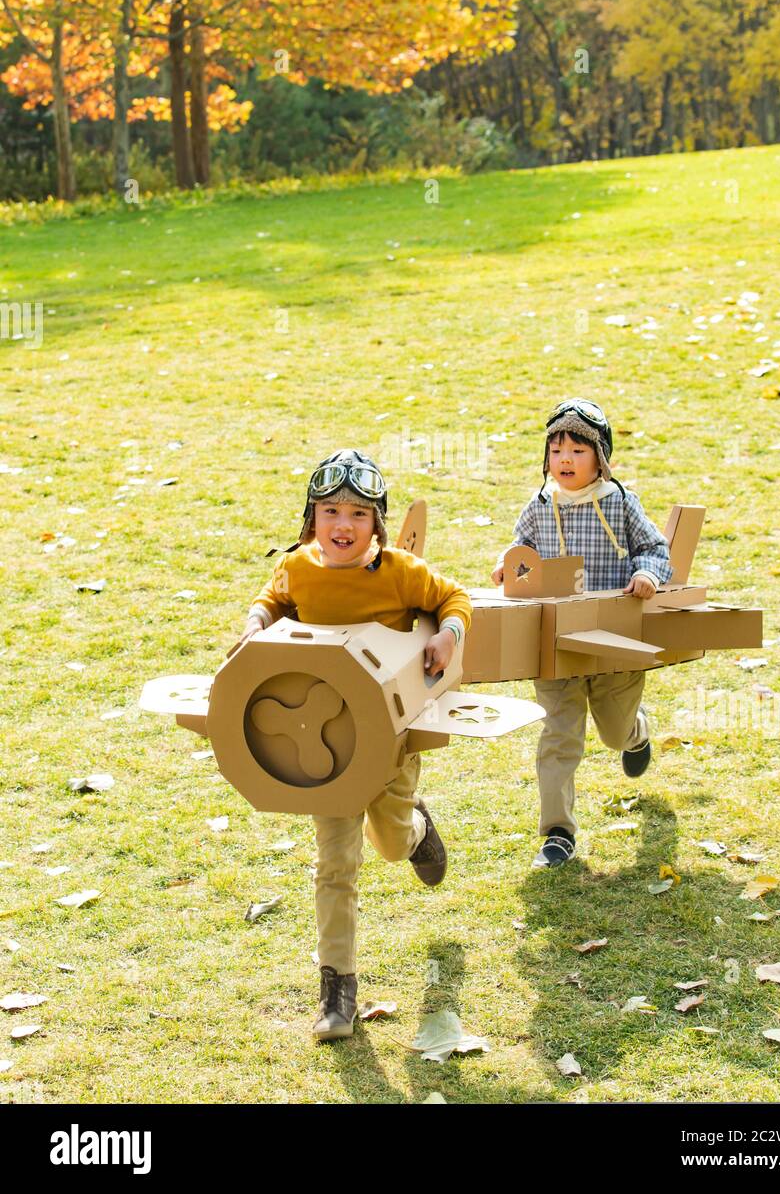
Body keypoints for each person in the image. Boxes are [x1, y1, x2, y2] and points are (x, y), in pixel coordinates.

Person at [241, 449, 472, 1039]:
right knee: (335, 864)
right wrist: (257, 622)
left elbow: (454, 598)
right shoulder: (298, 567)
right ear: (311, 519)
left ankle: (415, 828)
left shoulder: (400, 571)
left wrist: (448, 633)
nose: (343, 526)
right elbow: (274, 598)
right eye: (330, 512)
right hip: (325, 745)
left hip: (389, 736)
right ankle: (336, 990)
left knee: (390, 845)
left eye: (358, 514)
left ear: (377, 523)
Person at [491, 399, 672, 869]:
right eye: (556, 451)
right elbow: (520, 549)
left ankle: (636, 732)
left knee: (613, 733)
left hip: (613, 643)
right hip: (555, 644)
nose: (565, 460)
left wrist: (647, 574)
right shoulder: (540, 505)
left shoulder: (621, 502)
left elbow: (655, 549)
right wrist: (508, 567)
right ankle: (558, 833)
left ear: (600, 457)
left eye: (577, 450)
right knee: (559, 736)